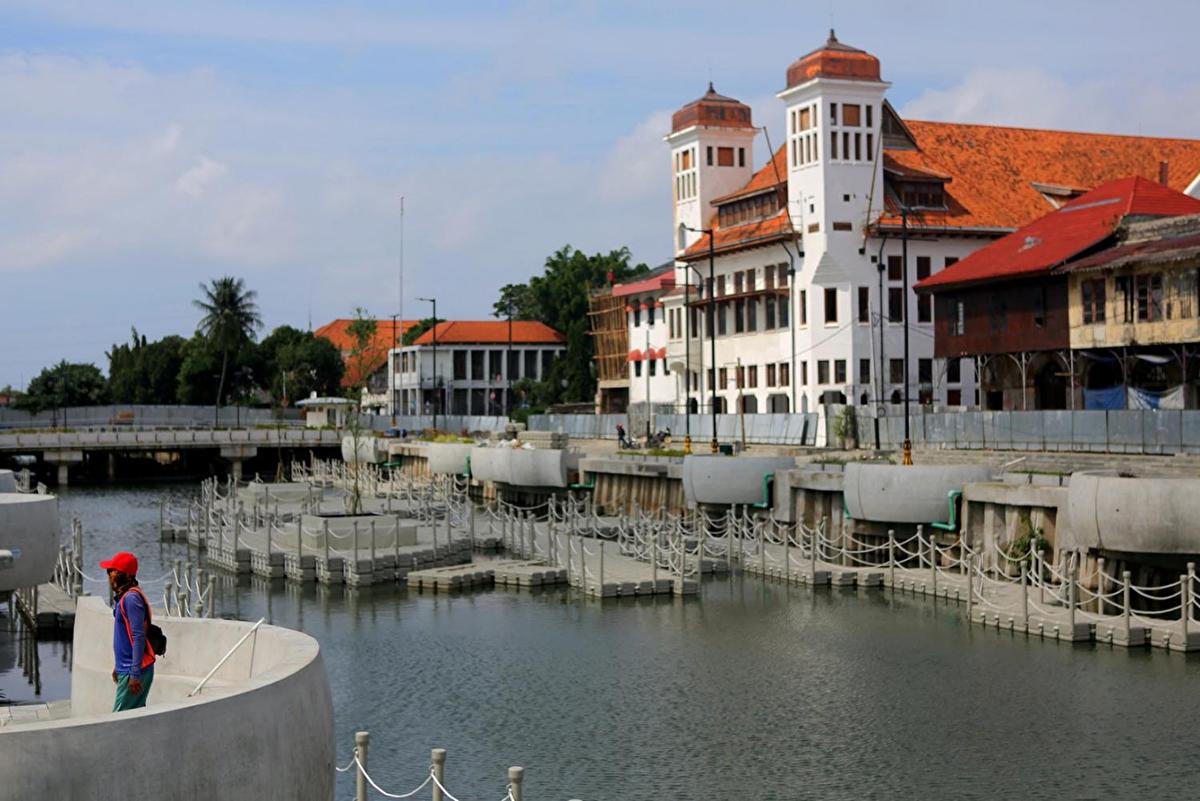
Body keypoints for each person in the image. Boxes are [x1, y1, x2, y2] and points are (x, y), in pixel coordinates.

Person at [101, 551, 155, 712]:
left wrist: (135, 674)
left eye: (111, 571)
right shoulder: (125, 598)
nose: (108, 575)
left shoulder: (131, 599)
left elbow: (138, 637)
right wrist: (118, 667)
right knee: (132, 719)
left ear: (120, 574)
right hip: (126, 668)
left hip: (133, 670)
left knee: (118, 721)